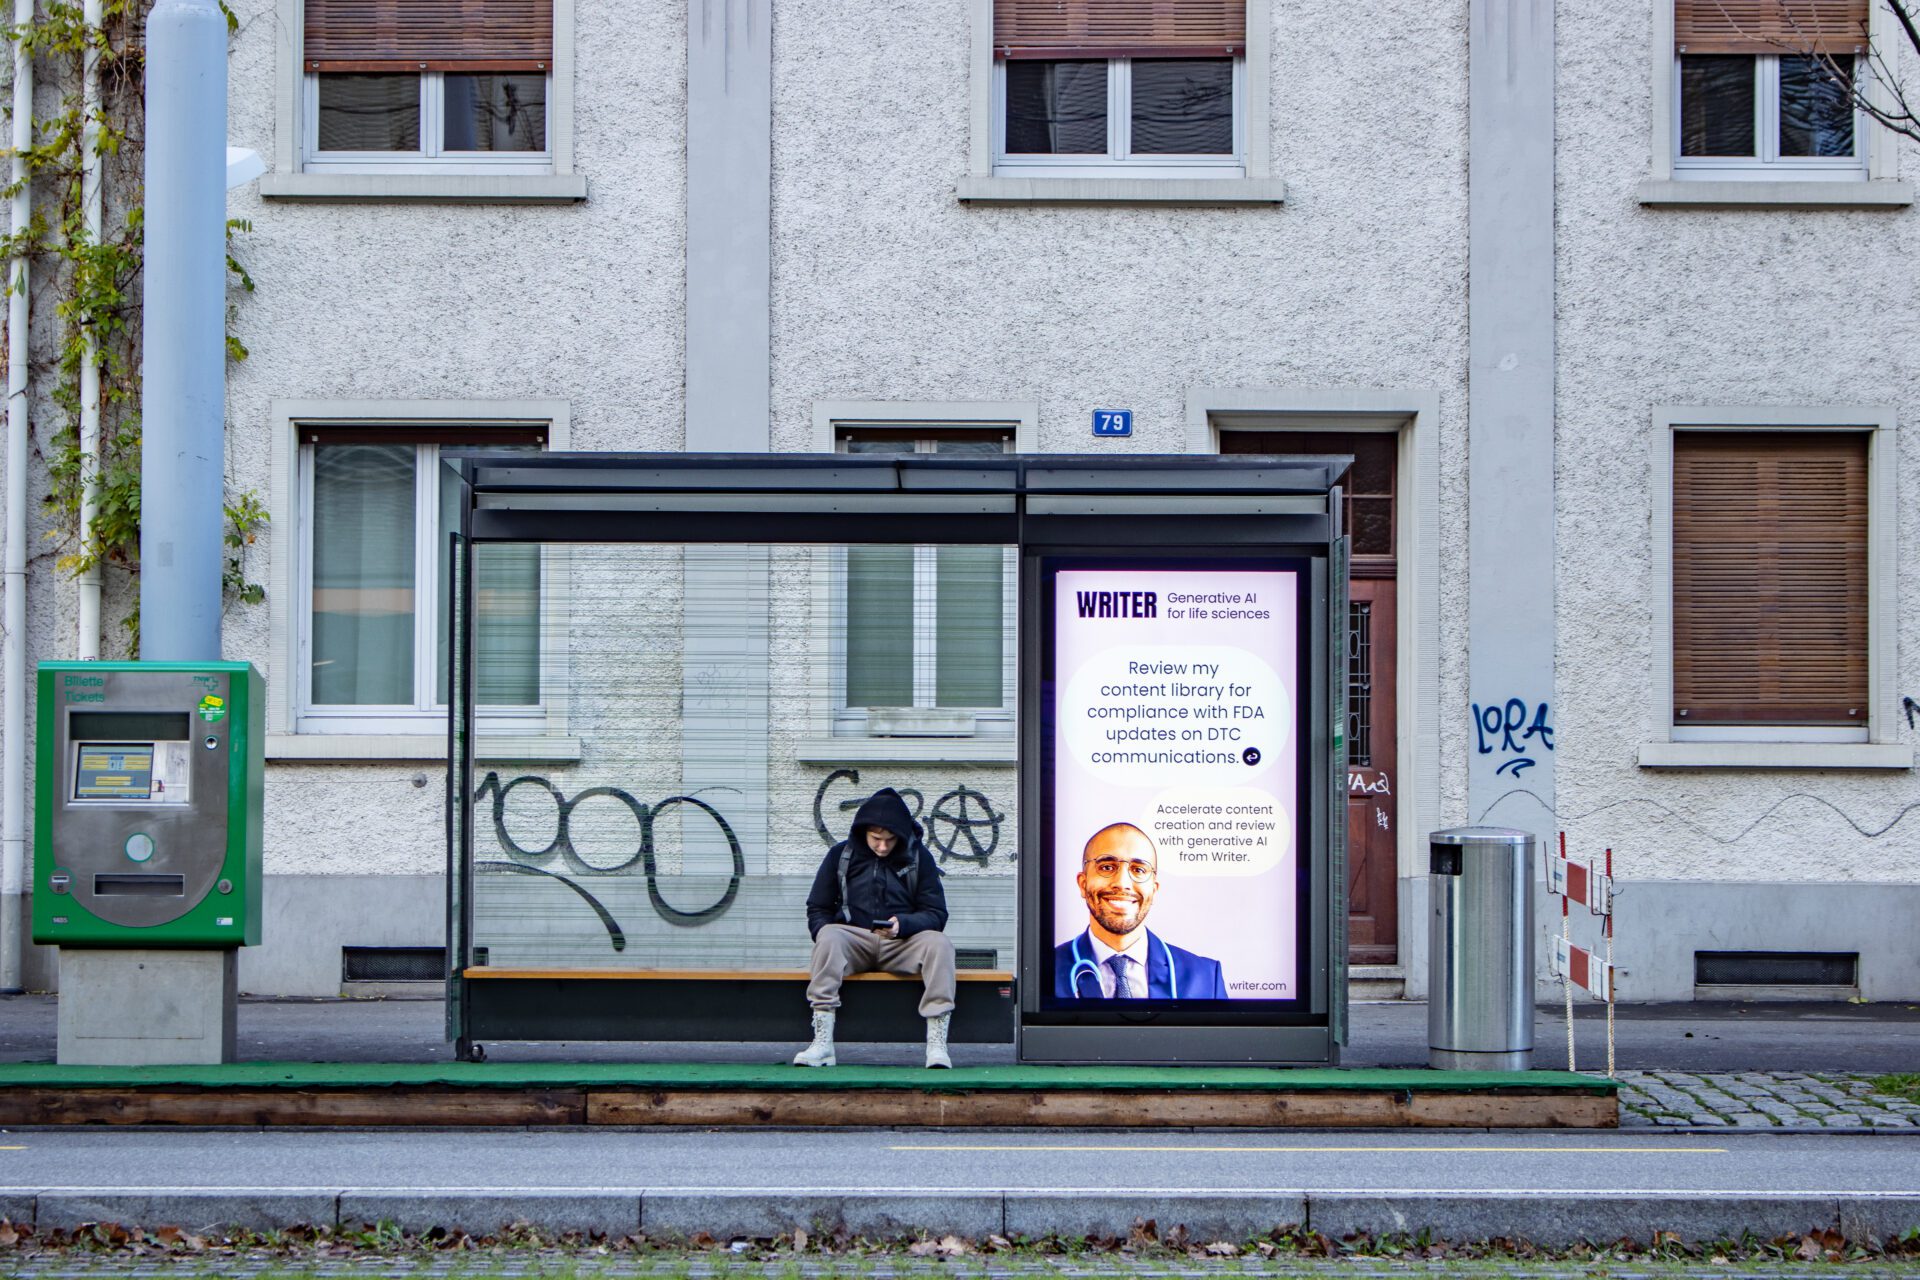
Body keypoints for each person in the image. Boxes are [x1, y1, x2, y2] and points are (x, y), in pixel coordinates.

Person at [795, 786, 955, 1068]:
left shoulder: (919, 857)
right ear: (863, 832)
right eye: (876, 839)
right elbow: (817, 908)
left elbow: (936, 913)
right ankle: (822, 1044)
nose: (882, 846)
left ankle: (937, 1045)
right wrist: (826, 933)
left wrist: (903, 925)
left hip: (902, 942)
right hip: (854, 939)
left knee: (939, 944)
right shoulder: (840, 856)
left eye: (890, 840)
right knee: (829, 936)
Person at [1053, 822, 1228, 1000]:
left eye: (1138, 870)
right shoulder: (1043, 970)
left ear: (1154, 889)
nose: (1122, 883)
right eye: (1107, 867)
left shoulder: (1205, 977)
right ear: (1083, 884)